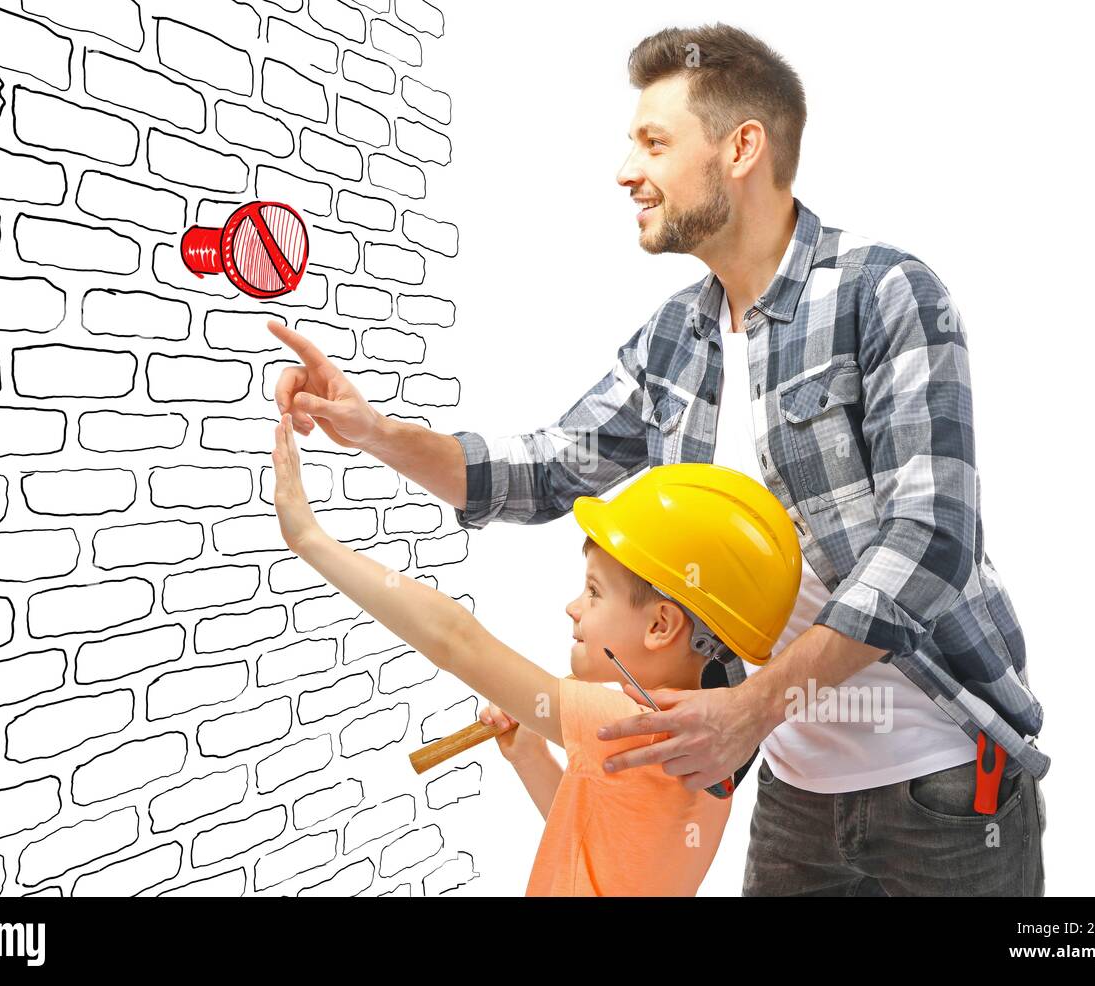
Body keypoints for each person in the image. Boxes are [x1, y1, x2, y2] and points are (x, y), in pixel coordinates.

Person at [269, 22, 1047, 896]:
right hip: (793, 793)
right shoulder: (678, 338)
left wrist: (753, 708)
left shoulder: (883, 293)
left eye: (654, 141)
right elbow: (545, 467)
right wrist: (374, 432)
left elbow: (932, 539)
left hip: (942, 787)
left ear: (741, 147)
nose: (625, 170)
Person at [270, 424, 799, 896]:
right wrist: (530, 755)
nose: (573, 607)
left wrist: (311, 539)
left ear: (661, 626)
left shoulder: (620, 727)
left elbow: (457, 641)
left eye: (594, 593)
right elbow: (598, 850)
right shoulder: (713, 755)